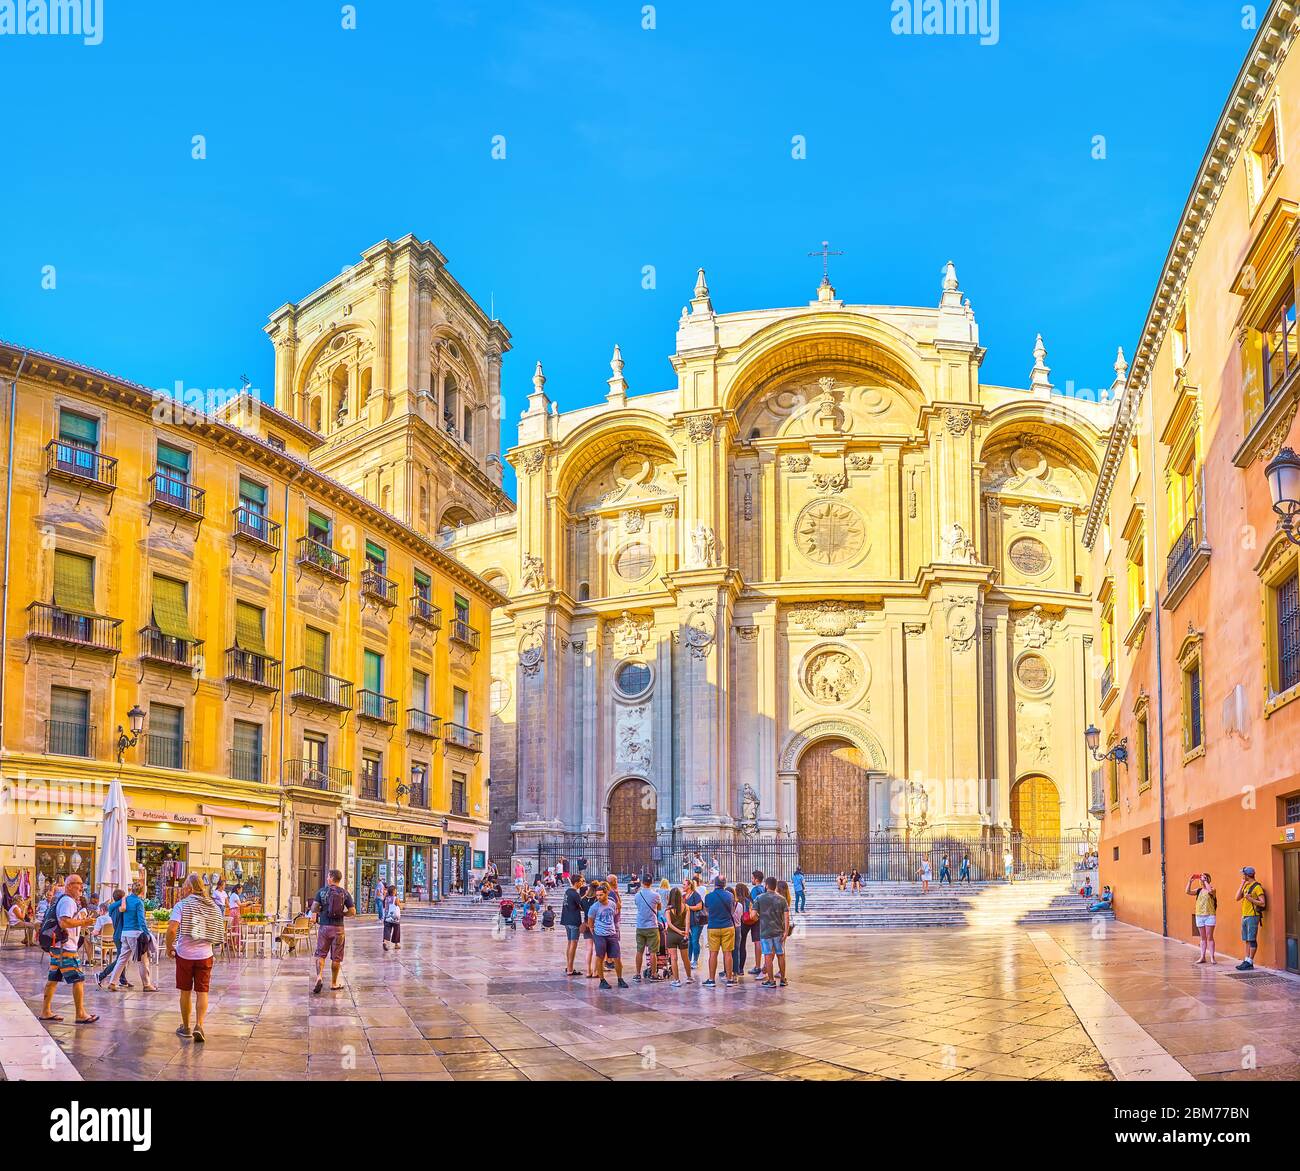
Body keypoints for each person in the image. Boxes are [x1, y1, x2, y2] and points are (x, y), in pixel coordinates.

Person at [165, 872, 221, 1042]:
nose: (182, 890)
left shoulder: (182, 905)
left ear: (189, 888)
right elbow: (217, 930)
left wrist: (169, 947)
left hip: (185, 955)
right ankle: (200, 1025)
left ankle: (186, 1027)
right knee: (202, 991)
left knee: (185, 992)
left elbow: (172, 929)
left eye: (183, 887)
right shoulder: (213, 905)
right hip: (205, 954)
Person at [38, 872, 99, 1026]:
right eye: (78, 884)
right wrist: (84, 921)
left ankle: (46, 1011)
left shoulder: (63, 900)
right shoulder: (68, 901)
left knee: (53, 979)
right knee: (78, 979)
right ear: (70, 886)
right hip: (66, 947)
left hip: (57, 947)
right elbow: (64, 922)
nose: (81, 887)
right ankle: (80, 1014)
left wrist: (80, 921)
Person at [309, 868, 356, 994]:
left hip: (324, 927)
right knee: (336, 957)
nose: (327, 878)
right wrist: (342, 914)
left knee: (320, 954)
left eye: (328, 876)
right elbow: (352, 912)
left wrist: (321, 911)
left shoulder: (322, 892)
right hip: (339, 928)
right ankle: (334, 983)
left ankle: (319, 977)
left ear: (331, 878)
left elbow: (314, 908)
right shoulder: (345, 893)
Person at [102, 882, 155, 992]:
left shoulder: (126, 900)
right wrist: (147, 933)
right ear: (142, 891)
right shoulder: (138, 902)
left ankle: (112, 982)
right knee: (143, 960)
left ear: (131, 890)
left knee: (122, 959)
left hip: (124, 934)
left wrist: (124, 898)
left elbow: (112, 906)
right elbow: (141, 920)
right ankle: (147, 985)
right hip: (135, 934)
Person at [586, 884, 627, 990]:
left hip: (611, 934)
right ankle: (602, 980)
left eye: (601, 895)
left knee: (617, 957)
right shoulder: (594, 907)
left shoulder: (612, 904)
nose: (598, 897)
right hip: (600, 935)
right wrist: (595, 934)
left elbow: (614, 915)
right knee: (600, 957)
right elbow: (590, 923)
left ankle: (620, 979)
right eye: (597, 895)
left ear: (606, 894)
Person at [756, 876, 790, 988]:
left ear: (766, 885)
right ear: (775, 886)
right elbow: (786, 917)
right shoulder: (782, 899)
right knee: (781, 955)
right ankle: (783, 979)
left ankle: (771, 980)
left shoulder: (759, 898)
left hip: (765, 931)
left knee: (768, 956)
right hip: (779, 931)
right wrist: (786, 931)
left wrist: (759, 916)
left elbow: (752, 915)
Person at [702, 876, 737, 987]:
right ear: (724, 884)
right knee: (728, 953)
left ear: (715, 884)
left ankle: (711, 980)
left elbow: (706, 911)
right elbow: (732, 911)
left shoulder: (708, 897)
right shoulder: (730, 895)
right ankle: (729, 979)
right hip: (727, 926)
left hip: (713, 927)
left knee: (713, 953)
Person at [631, 873, 662, 982]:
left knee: (639, 950)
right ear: (652, 882)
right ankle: (654, 974)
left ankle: (637, 974)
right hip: (652, 926)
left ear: (642, 882)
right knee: (653, 952)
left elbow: (637, 905)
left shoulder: (637, 895)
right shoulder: (656, 895)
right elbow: (659, 907)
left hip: (640, 926)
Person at [1235, 867, 1266, 970]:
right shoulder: (1247, 885)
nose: (1242, 876)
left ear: (1247, 875)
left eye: (1243, 874)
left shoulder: (1257, 887)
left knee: (1252, 939)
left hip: (1253, 916)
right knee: (1247, 939)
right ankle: (1246, 960)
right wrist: (1242, 884)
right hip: (1245, 915)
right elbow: (1237, 898)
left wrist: (1251, 899)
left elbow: (1263, 902)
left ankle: (1250, 961)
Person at [1186, 872, 1218, 964]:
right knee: (1203, 938)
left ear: (1208, 879)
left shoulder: (1212, 889)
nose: (1202, 880)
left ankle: (1212, 957)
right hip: (1199, 915)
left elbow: (1210, 891)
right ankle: (1202, 957)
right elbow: (1187, 892)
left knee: (1210, 937)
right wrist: (1190, 881)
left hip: (1210, 915)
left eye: (1204, 878)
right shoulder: (1199, 890)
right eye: (1201, 879)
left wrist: (1205, 881)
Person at [664, 886, 693, 986]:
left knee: (673, 958)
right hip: (682, 936)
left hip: (671, 935)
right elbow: (687, 922)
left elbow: (669, 924)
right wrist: (685, 933)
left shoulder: (668, 909)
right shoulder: (686, 907)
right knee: (686, 958)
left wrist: (677, 931)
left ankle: (676, 980)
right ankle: (689, 977)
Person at [732, 882, 755, 978]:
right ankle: (741, 969)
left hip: (737, 925)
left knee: (734, 947)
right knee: (742, 946)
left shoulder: (736, 901)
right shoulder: (748, 900)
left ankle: (734, 968)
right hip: (746, 925)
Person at [683, 878, 706, 968]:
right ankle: (689, 960)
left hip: (696, 922)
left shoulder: (696, 895)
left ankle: (695, 960)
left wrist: (688, 907)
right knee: (689, 942)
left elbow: (699, 906)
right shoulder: (684, 896)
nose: (683, 886)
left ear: (689, 885)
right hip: (687, 922)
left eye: (684, 884)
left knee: (694, 941)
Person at [382, 884, 402, 951]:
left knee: (387, 929)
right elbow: (399, 906)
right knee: (396, 929)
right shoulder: (396, 898)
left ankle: (385, 942)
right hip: (394, 917)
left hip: (387, 916)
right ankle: (396, 944)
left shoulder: (386, 898)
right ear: (394, 891)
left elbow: (384, 907)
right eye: (395, 890)